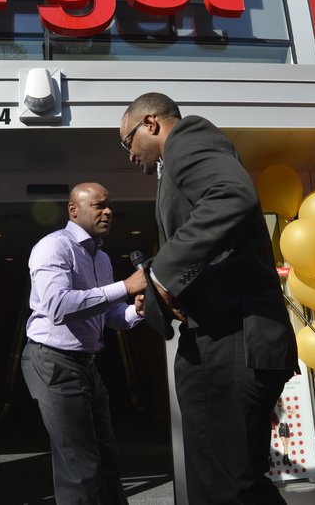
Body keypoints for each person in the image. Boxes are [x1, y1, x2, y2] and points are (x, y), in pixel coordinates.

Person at [120, 92, 299, 504]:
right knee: (238, 480)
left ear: (150, 123)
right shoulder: (177, 165)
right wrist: (158, 281)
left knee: (221, 487)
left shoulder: (189, 138)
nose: (128, 155)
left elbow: (232, 195)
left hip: (230, 338)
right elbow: (211, 247)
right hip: (228, 337)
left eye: (127, 142)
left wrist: (162, 276)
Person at [21, 182, 147, 505]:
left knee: (107, 461)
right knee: (80, 467)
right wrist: (125, 286)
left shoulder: (102, 258)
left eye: (110, 206)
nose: (108, 212)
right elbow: (59, 308)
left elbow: (108, 314)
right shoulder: (54, 247)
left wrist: (135, 311)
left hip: (87, 365)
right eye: (99, 206)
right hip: (54, 361)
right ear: (73, 210)